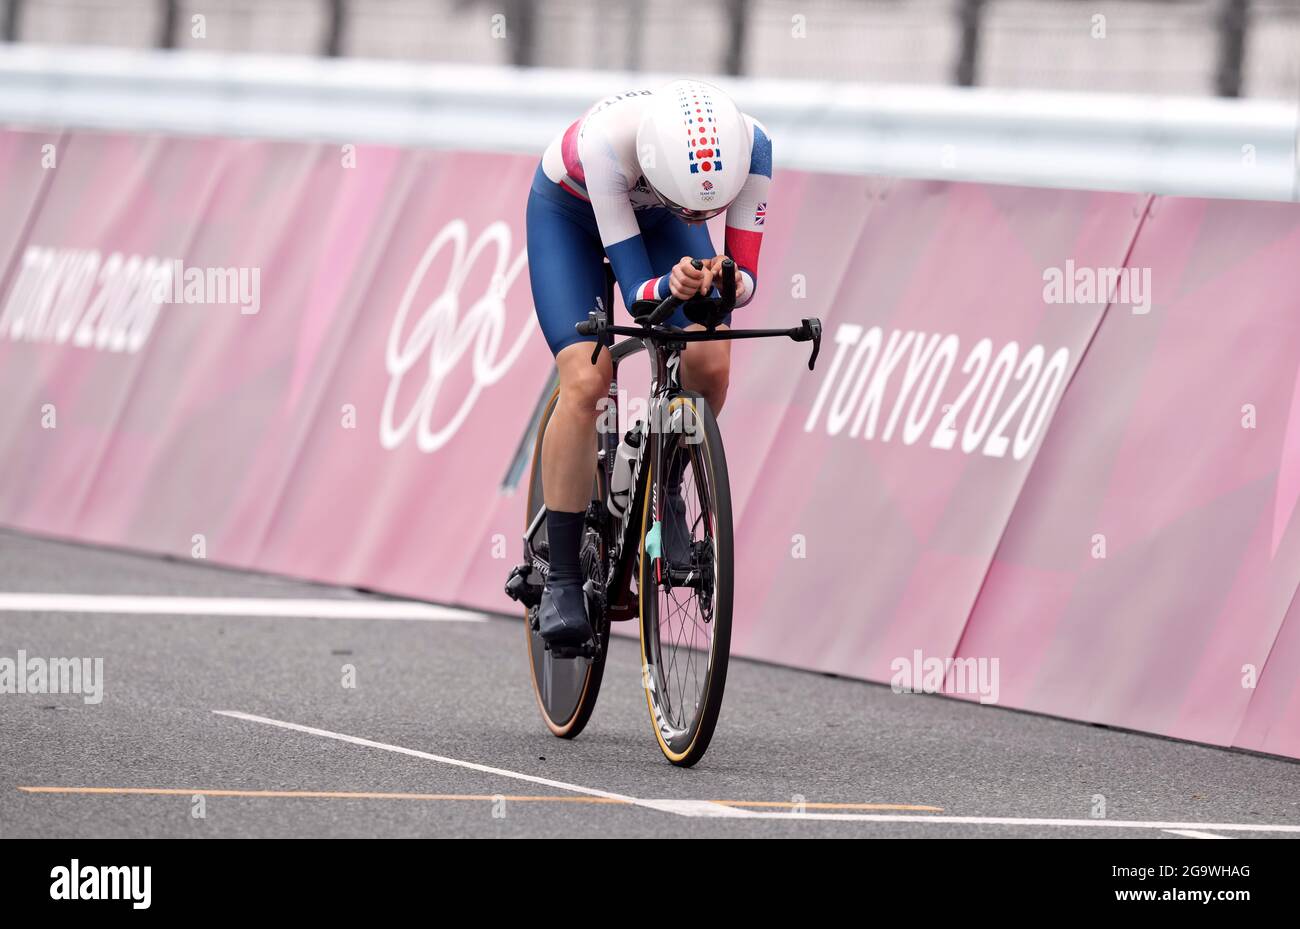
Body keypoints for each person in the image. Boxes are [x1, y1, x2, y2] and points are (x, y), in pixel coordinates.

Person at [525, 78, 772, 646]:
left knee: (709, 360)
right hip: (570, 220)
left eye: (707, 210)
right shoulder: (606, 146)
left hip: (659, 222)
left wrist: (723, 284)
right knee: (588, 380)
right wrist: (675, 283)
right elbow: (640, 294)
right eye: (695, 210)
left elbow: (745, 279)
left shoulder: (753, 146)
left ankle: (668, 486)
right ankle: (562, 575)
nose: (701, 217)